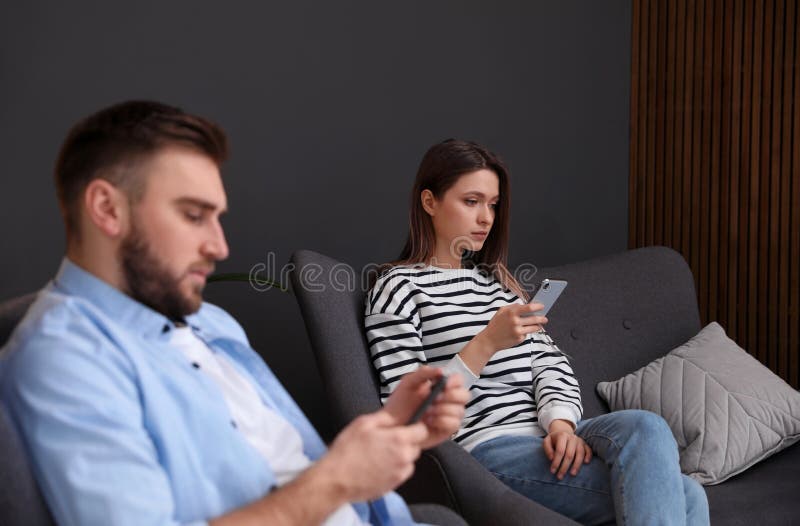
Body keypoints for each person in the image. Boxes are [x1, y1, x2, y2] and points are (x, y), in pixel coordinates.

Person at [0, 101, 469, 526]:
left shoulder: (211, 324)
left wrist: (392, 428)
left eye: (217, 217)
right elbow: (321, 487)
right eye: (193, 215)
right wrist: (337, 480)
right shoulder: (66, 357)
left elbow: (278, 469)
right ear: (107, 208)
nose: (220, 247)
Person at [364, 139, 710, 525]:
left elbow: (550, 363)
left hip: (547, 435)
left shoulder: (496, 285)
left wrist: (560, 423)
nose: (486, 218)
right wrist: (485, 344)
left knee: (647, 425)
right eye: (471, 201)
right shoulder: (398, 287)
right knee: (688, 496)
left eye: (493, 204)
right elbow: (405, 411)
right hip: (486, 449)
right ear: (429, 202)